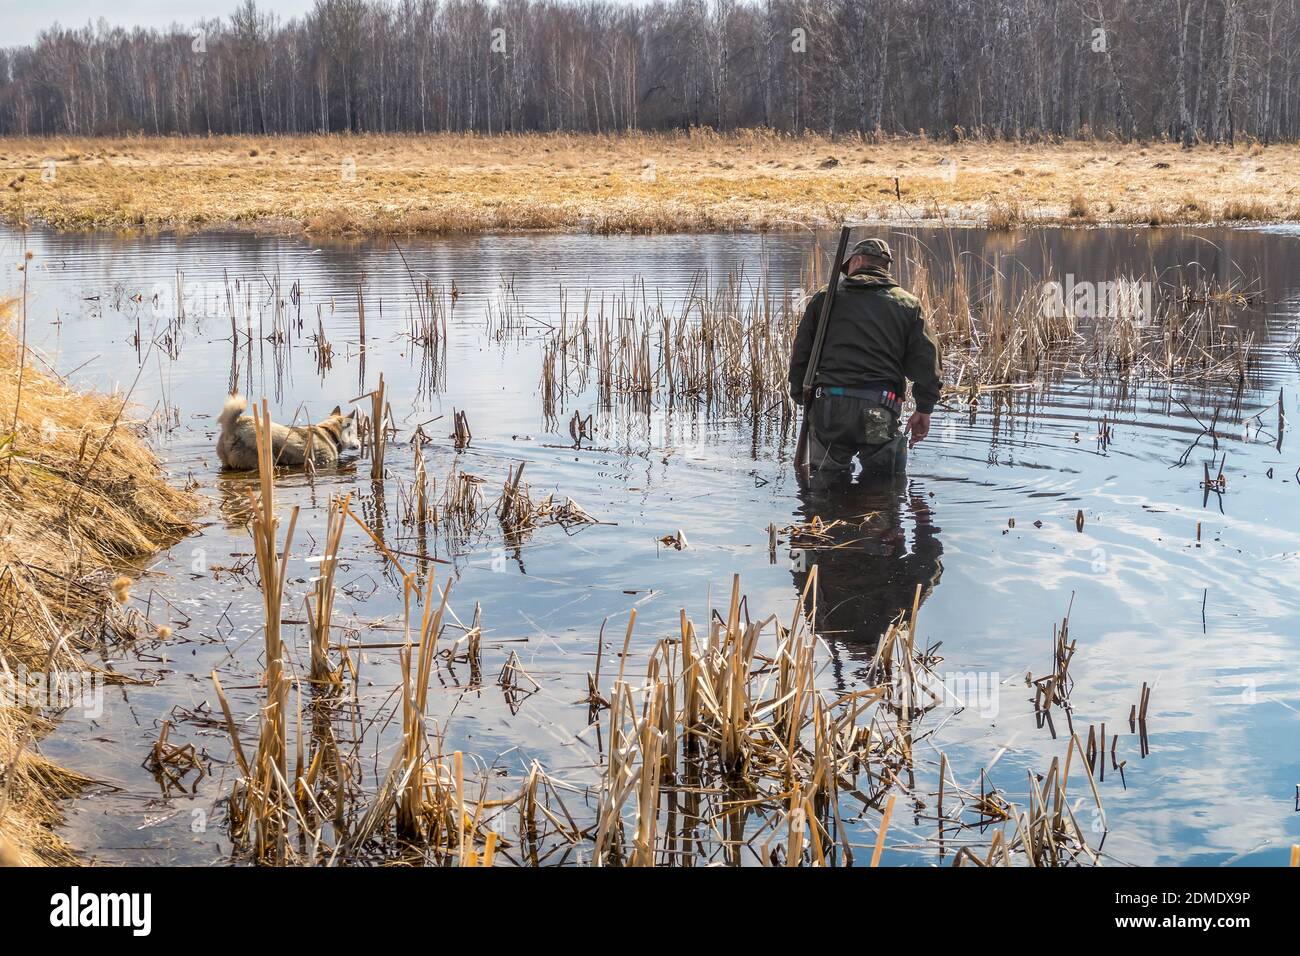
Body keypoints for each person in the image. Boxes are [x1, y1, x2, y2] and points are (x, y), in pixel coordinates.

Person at [788, 237, 942, 480]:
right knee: (884, 485)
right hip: (878, 408)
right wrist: (925, 407)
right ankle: (877, 511)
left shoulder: (825, 298)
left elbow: (801, 352)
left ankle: (824, 513)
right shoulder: (908, 304)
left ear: (857, 261)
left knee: (823, 487)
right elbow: (926, 362)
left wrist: (799, 393)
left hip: (830, 408)